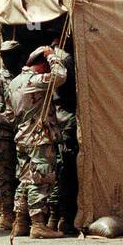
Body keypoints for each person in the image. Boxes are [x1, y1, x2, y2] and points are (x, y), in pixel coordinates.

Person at [9, 45, 68, 239]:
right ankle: (38, 225)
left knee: (25, 180)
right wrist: (52, 57)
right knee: (40, 180)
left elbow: (9, 113)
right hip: (38, 139)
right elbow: (60, 76)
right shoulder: (34, 80)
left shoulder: (14, 82)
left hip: (22, 138)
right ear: (42, 64)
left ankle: (20, 222)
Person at [0, 38, 24, 230]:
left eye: (13, 55)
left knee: (20, 175)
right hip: (3, 134)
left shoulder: (22, 77)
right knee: (6, 176)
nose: (9, 59)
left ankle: (18, 213)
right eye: (6, 55)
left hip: (20, 133)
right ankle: (7, 214)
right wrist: (18, 123)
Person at [49, 48, 79, 235]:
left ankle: (54, 217)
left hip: (55, 120)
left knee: (56, 170)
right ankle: (64, 218)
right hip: (67, 119)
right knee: (67, 172)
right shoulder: (65, 58)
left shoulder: (47, 60)